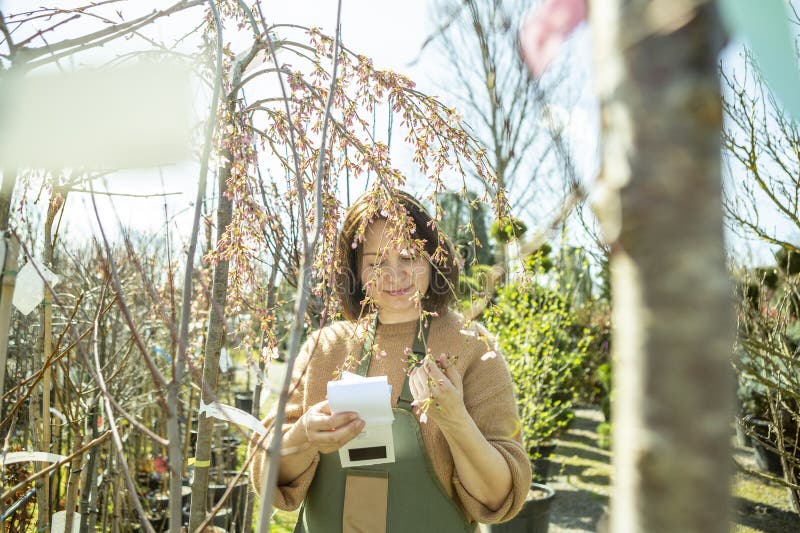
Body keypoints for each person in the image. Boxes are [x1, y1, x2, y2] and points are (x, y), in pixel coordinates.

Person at [249, 190, 531, 532]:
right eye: (377, 262)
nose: (395, 276)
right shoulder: (325, 348)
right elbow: (268, 477)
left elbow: (498, 498)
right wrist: (303, 436)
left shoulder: (471, 346)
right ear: (356, 271)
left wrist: (456, 420)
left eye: (409, 257)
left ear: (433, 257)